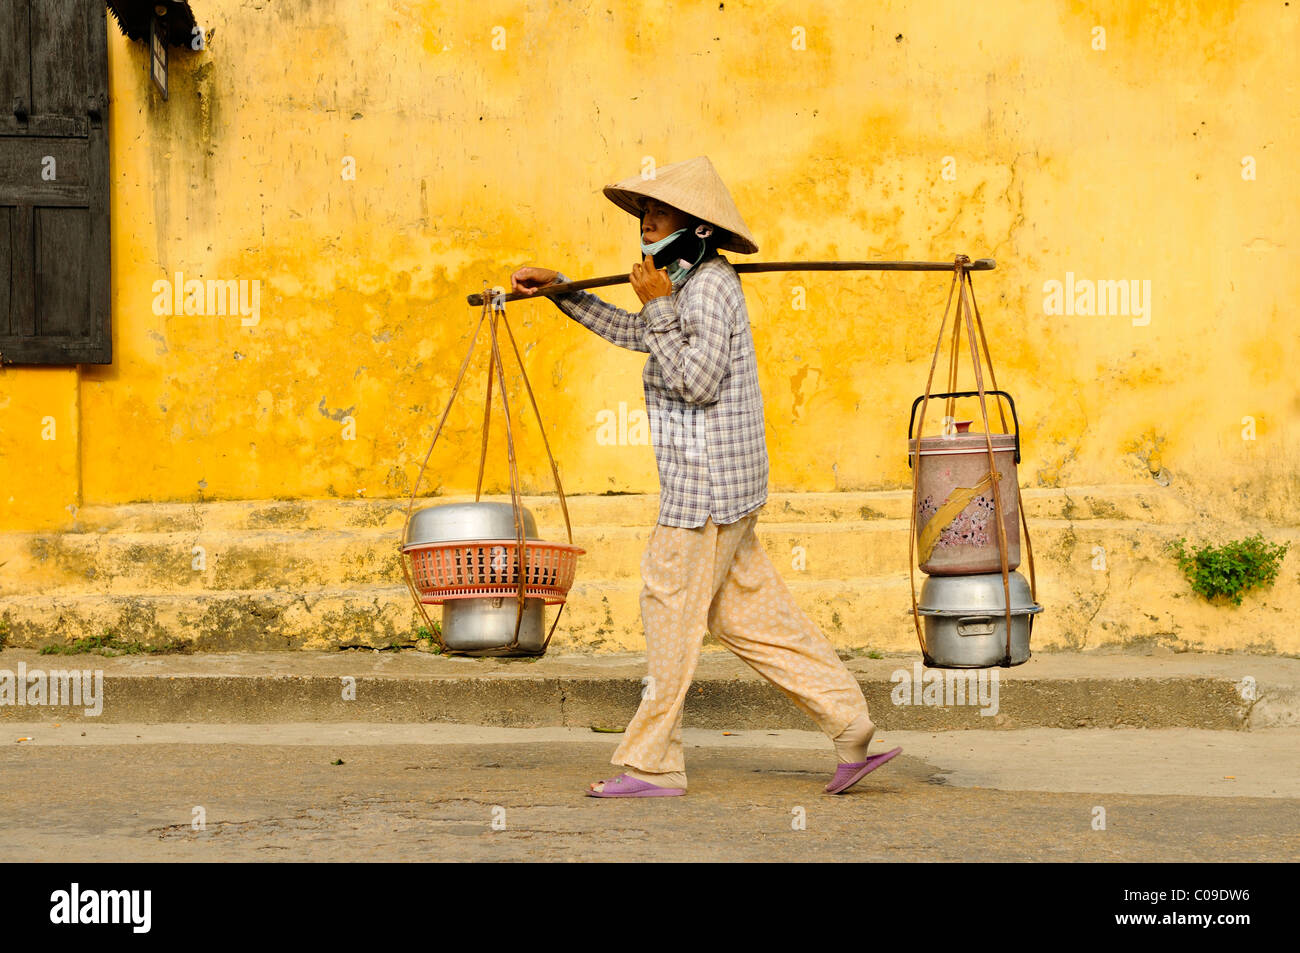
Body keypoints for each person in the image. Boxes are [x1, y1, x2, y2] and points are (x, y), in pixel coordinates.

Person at [510, 156, 901, 797]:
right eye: (643, 213)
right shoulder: (681, 284)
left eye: (658, 213)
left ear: (695, 228)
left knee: (669, 615)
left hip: (708, 490)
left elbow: (696, 382)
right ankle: (851, 724)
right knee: (750, 618)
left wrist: (659, 306)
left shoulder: (712, 286)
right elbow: (642, 335)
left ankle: (652, 764)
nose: (644, 224)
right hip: (722, 486)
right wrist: (565, 292)